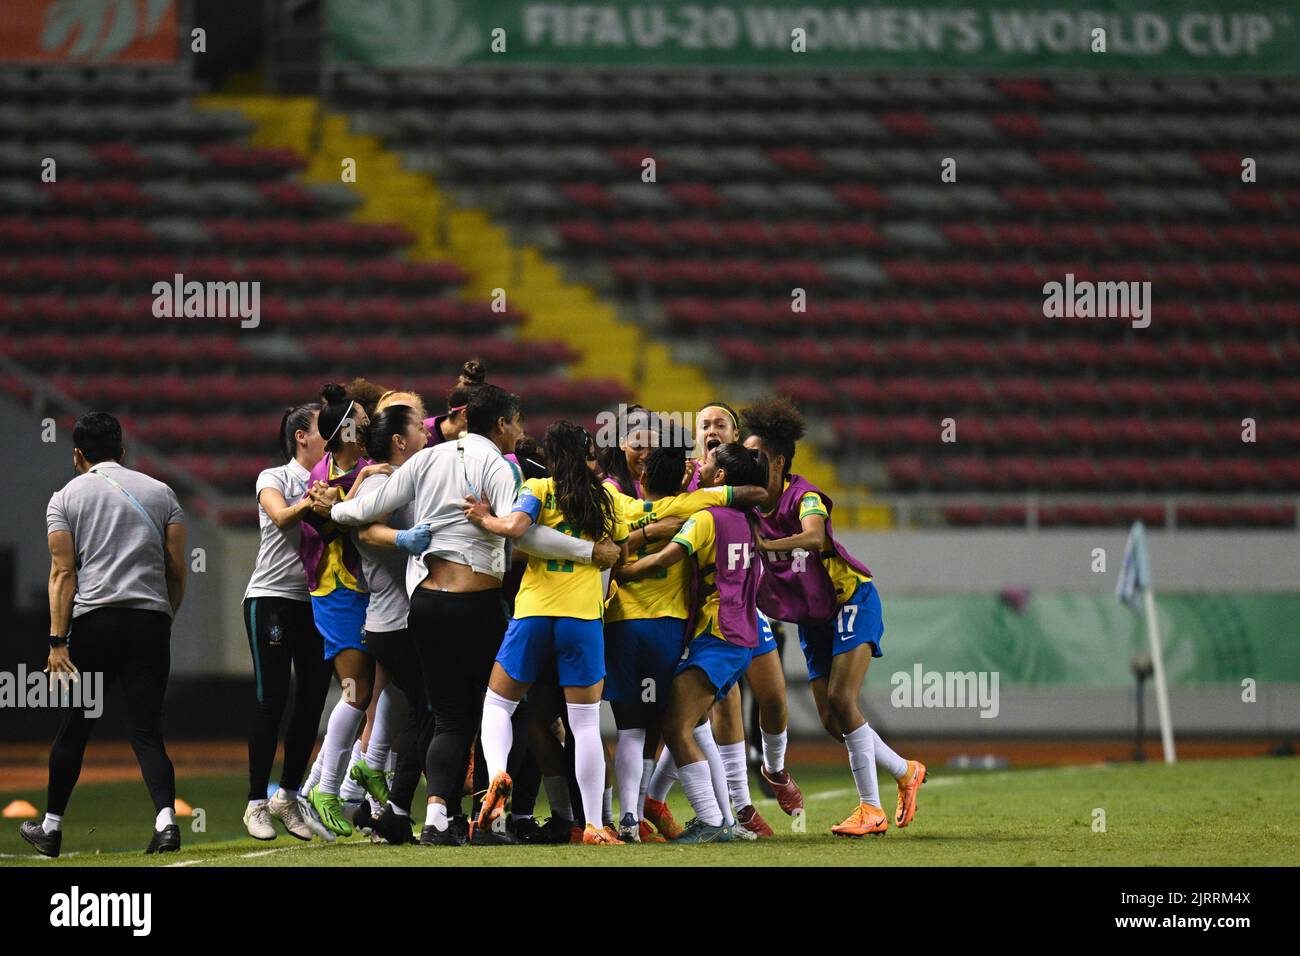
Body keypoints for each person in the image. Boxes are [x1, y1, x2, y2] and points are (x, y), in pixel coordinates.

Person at [329, 386, 617, 846]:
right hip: (475, 604)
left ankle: (438, 818)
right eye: (518, 423)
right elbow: (520, 534)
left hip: (424, 604)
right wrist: (588, 551)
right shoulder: (499, 466)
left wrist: (339, 500)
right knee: (505, 710)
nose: (521, 433)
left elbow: (359, 511)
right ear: (502, 424)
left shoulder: (426, 458)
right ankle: (492, 819)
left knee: (447, 717)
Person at [743, 395, 926, 836]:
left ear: (779, 461)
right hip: (814, 620)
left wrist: (768, 547)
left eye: (758, 458)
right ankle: (905, 771)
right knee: (830, 719)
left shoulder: (803, 496)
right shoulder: (746, 509)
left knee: (844, 703)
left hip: (850, 602)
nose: (750, 465)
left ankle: (871, 809)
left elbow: (813, 536)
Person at [21, 412, 187, 858]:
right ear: (123, 450)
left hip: (95, 625)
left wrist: (58, 641)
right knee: (148, 732)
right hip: (150, 622)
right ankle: (167, 821)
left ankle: (51, 829)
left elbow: (63, 573)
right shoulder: (162, 493)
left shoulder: (64, 498)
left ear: (78, 454)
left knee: (75, 727)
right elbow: (177, 572)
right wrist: (162, 618)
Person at [464, 421, 630, 846]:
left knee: (498, 704)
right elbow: (621, 555)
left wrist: (486, 518)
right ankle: (593, 824)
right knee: (586, 724)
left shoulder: (538, 487)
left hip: (535, 612)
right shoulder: (608, 496)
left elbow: (515, 529)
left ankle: (499, 775)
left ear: (551, 457)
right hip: (582, 617)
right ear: (587, 453)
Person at [605, 441, 770, 842]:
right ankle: (723, 818)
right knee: (692, 724)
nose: (701, 462)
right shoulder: (730, 516)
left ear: (720, 477)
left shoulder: (688, 515)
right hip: (716, 630)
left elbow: (663, 559)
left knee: (667, 726)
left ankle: (695, 820)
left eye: (710, 461)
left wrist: (622, 569)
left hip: (699, 632)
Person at [241, 402, 333, 842]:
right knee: (271, 698)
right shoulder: (275, 478)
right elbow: (279, 516)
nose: (331, 434)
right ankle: (256, 801)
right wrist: (311, 503)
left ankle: (289, 795)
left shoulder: (334, 478)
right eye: (322, 428)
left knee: (314, 697)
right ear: (300, 435)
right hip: (271, 599)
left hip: (316, 602)